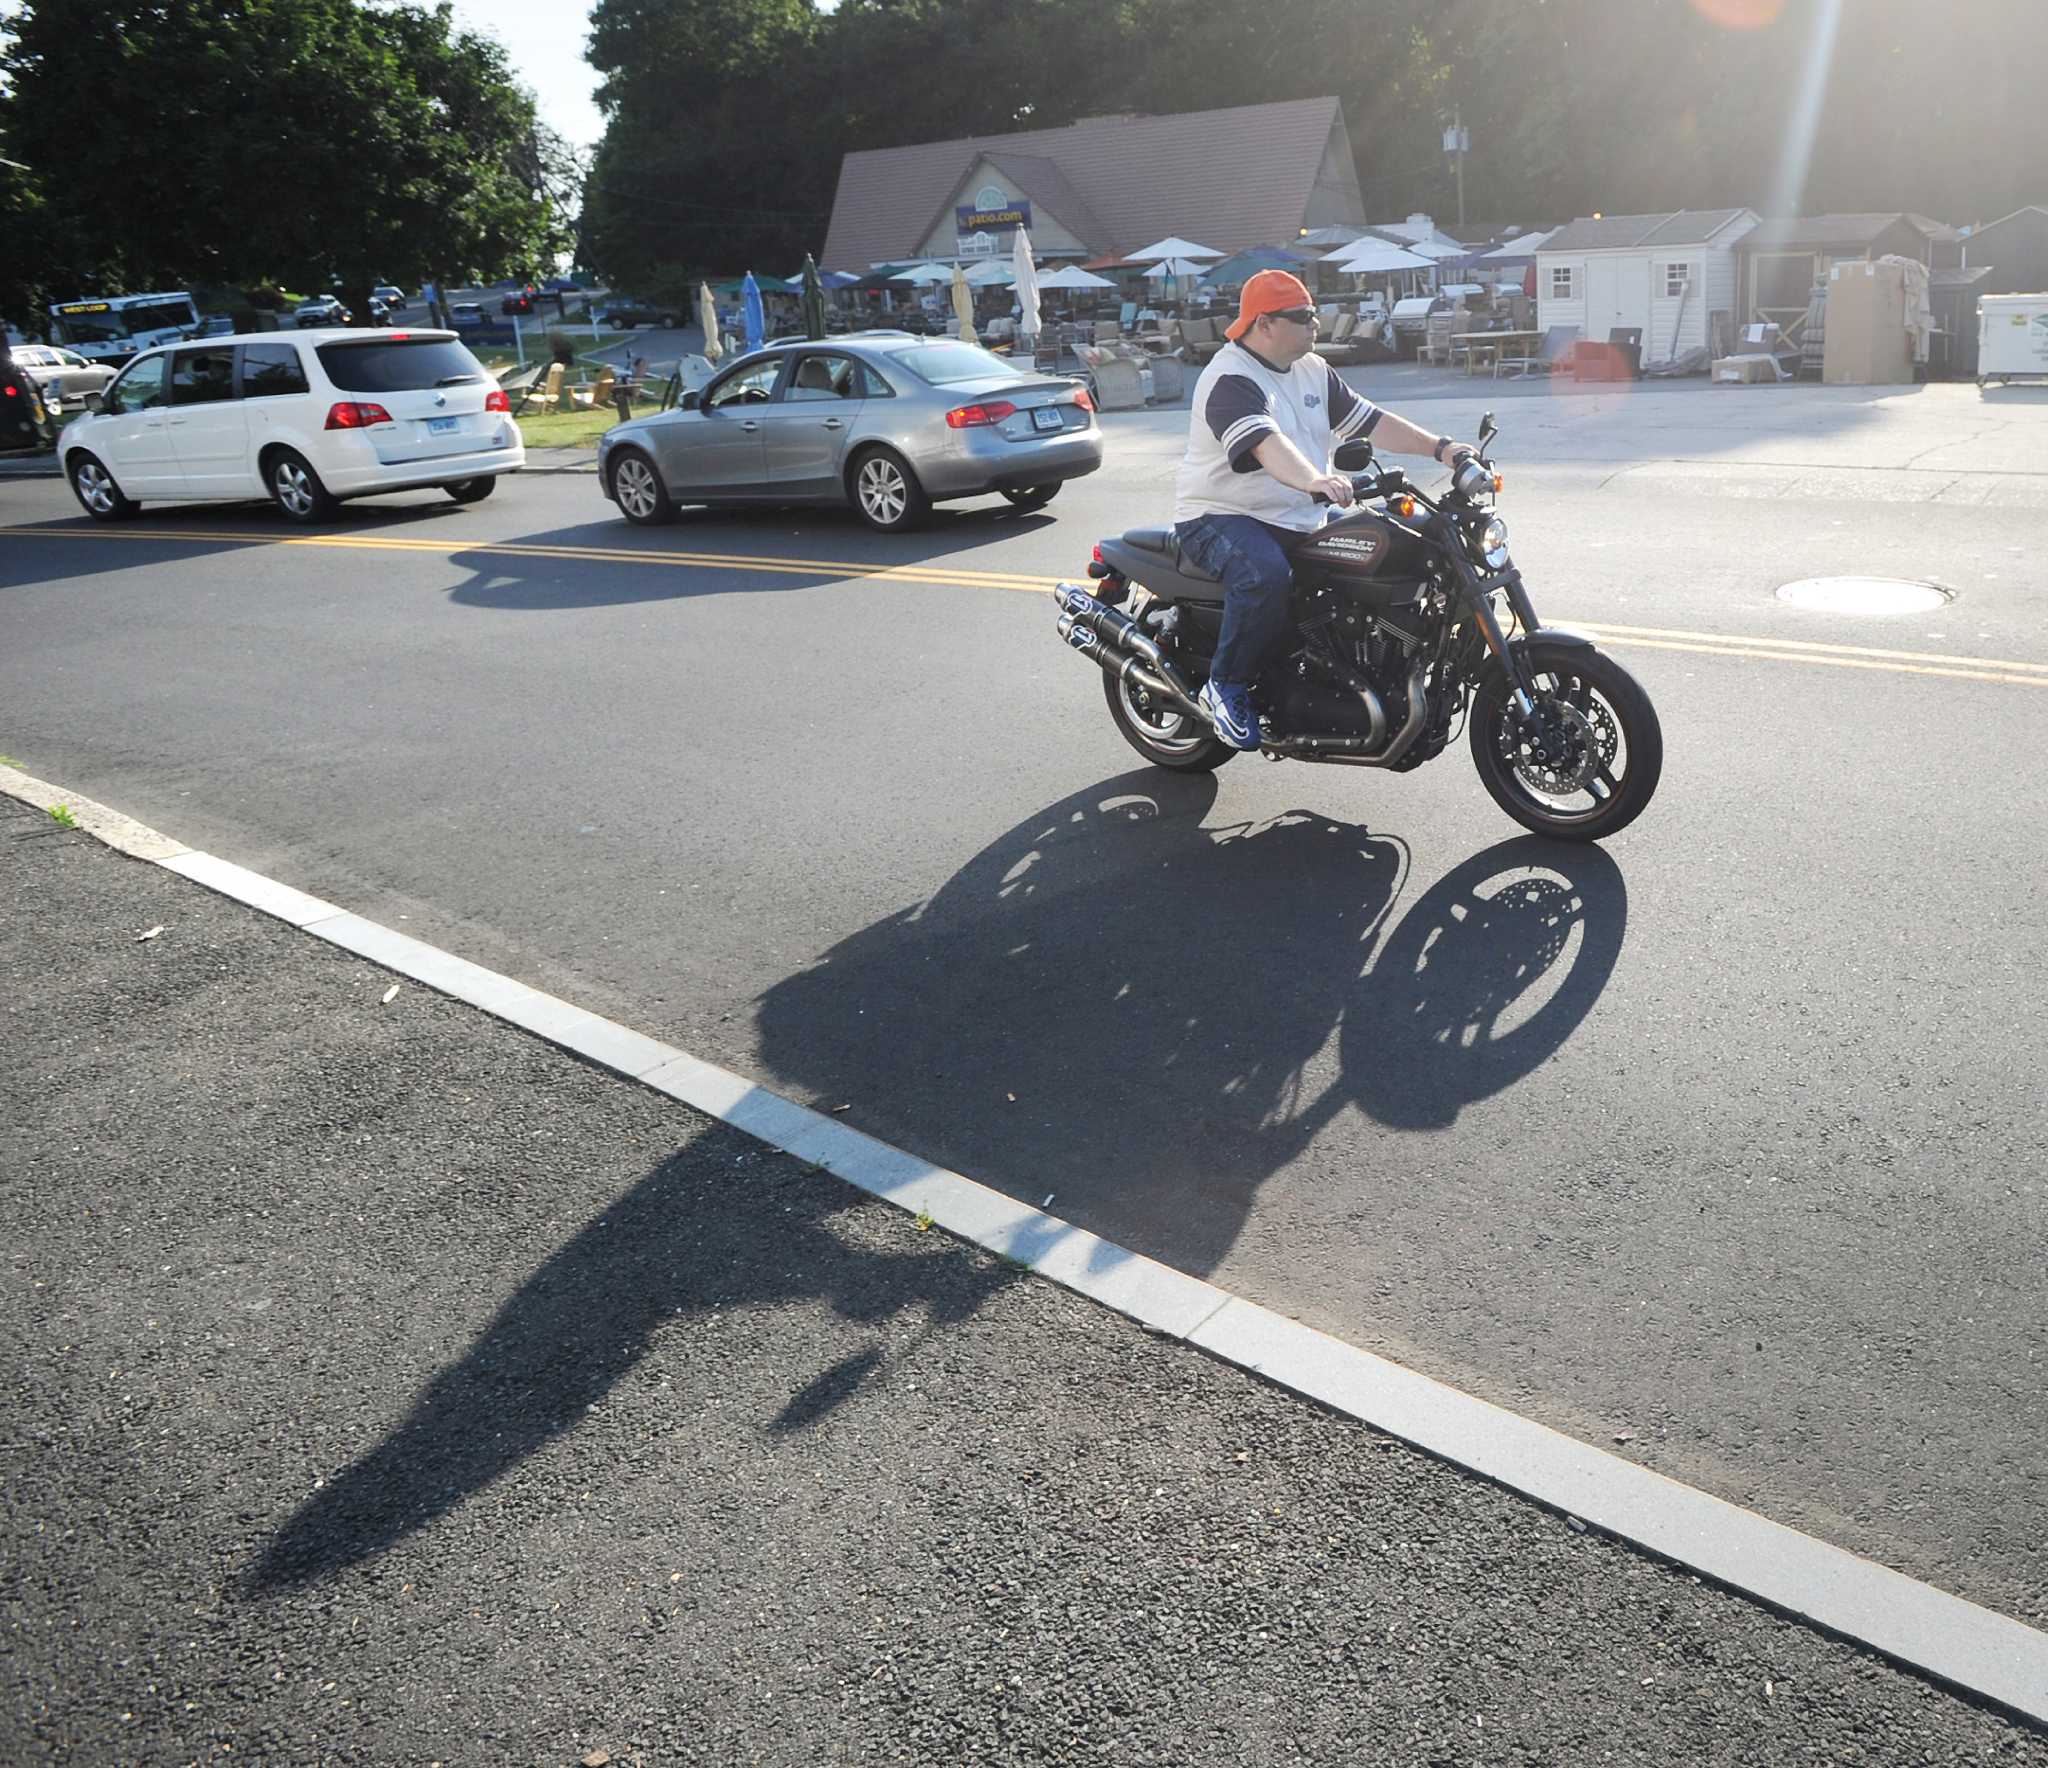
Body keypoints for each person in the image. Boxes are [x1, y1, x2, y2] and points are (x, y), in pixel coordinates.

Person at [1172, 269, 1479, 750]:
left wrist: (1442, 449)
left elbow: (1371, 421)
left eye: (1314, 313)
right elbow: (1266, 444)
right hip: (1222, 515)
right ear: (1264, 324)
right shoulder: (1230, 377)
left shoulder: (1312, 369)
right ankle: (1225, 685)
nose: (1316, 323)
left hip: (1297, 514)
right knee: (1264, 576)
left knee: (1403, 541)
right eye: (1303, 316)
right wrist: (1314, 479)